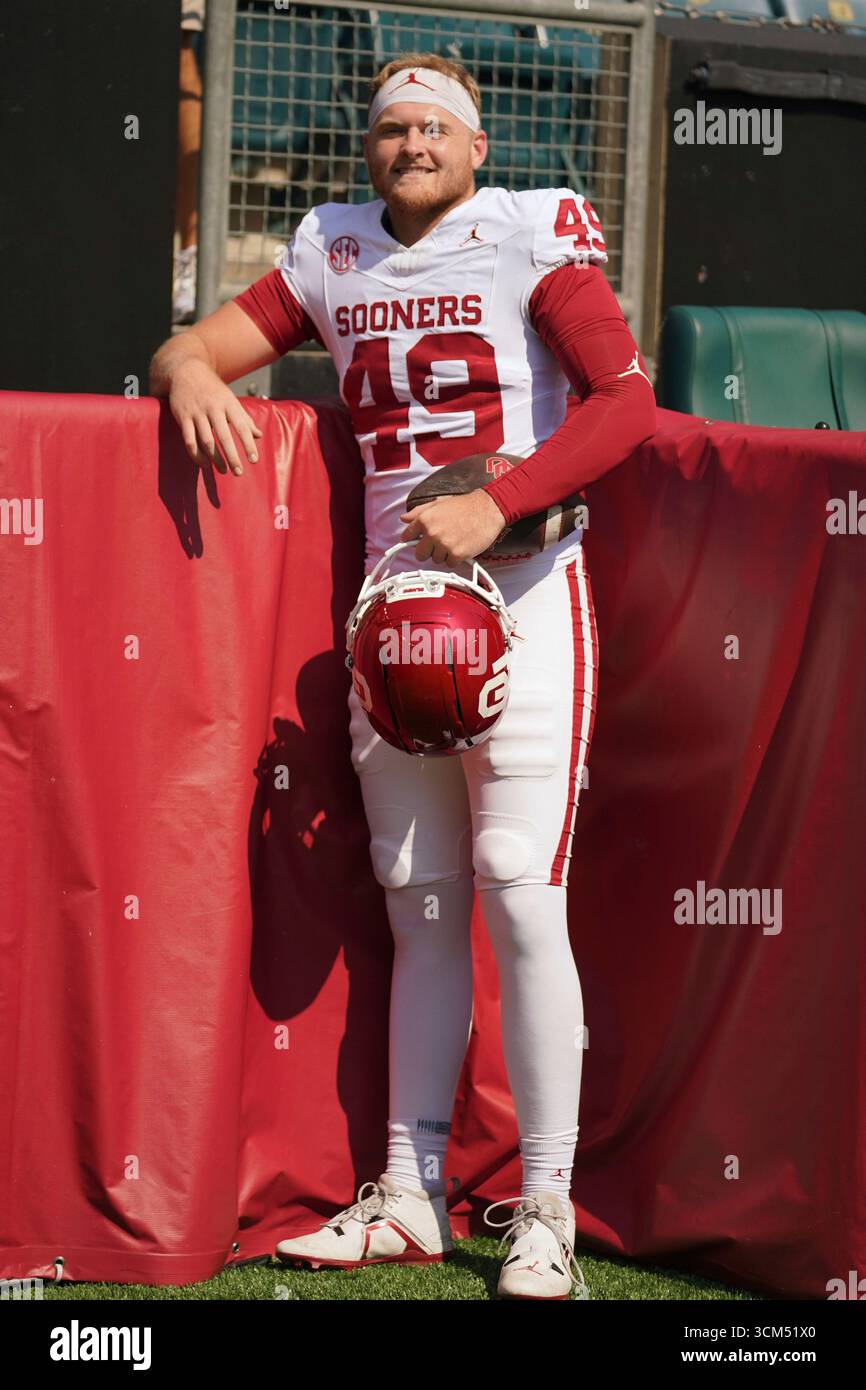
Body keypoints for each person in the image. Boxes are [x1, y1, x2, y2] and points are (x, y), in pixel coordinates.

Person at [149, 52, 656, 1300]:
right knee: (417, 901)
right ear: (366, 152)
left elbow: (623, 401)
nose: (412, 144)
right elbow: (190, 347)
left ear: (478, 149)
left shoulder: (527, 231)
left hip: (526, 595)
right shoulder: (331, 250)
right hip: (391, 615)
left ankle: (544, 1204)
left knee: (516, 891)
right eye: (390, 130)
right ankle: (408, 1191)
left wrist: (506, 502)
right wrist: (192, 372)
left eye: (435, 128)